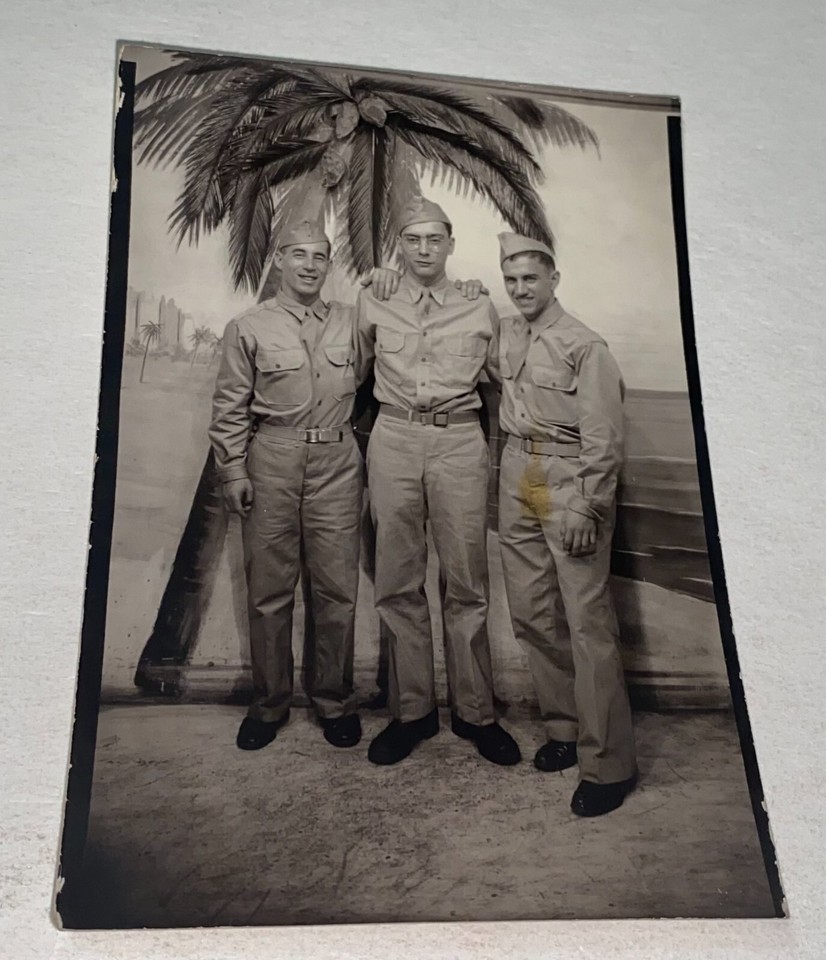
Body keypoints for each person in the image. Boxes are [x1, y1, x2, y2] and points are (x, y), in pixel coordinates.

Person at [356, 196, 521, 767]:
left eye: (434, 239)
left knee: (466, 582)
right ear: (398, 246)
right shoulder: (372, 300)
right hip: (394, 439)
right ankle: (413, 713)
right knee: (398, 580)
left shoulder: (479, 306)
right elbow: (349, 374)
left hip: (459, 443)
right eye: (412, 239)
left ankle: (476, 714)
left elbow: (506, 382)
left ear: (451, 244)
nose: (424, 250)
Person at [209, 216, 368, 752]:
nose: (309, 265)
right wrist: (233, 469)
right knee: (270, 592)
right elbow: (229, 408)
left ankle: (334, 702)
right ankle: (269, 704)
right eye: (298, 254)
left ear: (329, 265)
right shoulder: (248, 327)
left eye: (319, 256)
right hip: (272, 458)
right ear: (278, 260)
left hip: (338, 462)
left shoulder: (353, 321)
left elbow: (403, 338)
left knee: (336, 590)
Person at [495, 231, 637, 816]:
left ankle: (609, 766)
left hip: (568, 476)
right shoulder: (506, 332)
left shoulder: (586, 345)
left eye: (531, 278)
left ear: (554, 279)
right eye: (511, 280)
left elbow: (604, 436)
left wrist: (588, 504)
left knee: (587, 623)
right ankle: (563, 729)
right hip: (516, 471)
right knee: (531, 614)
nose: (521, 289)